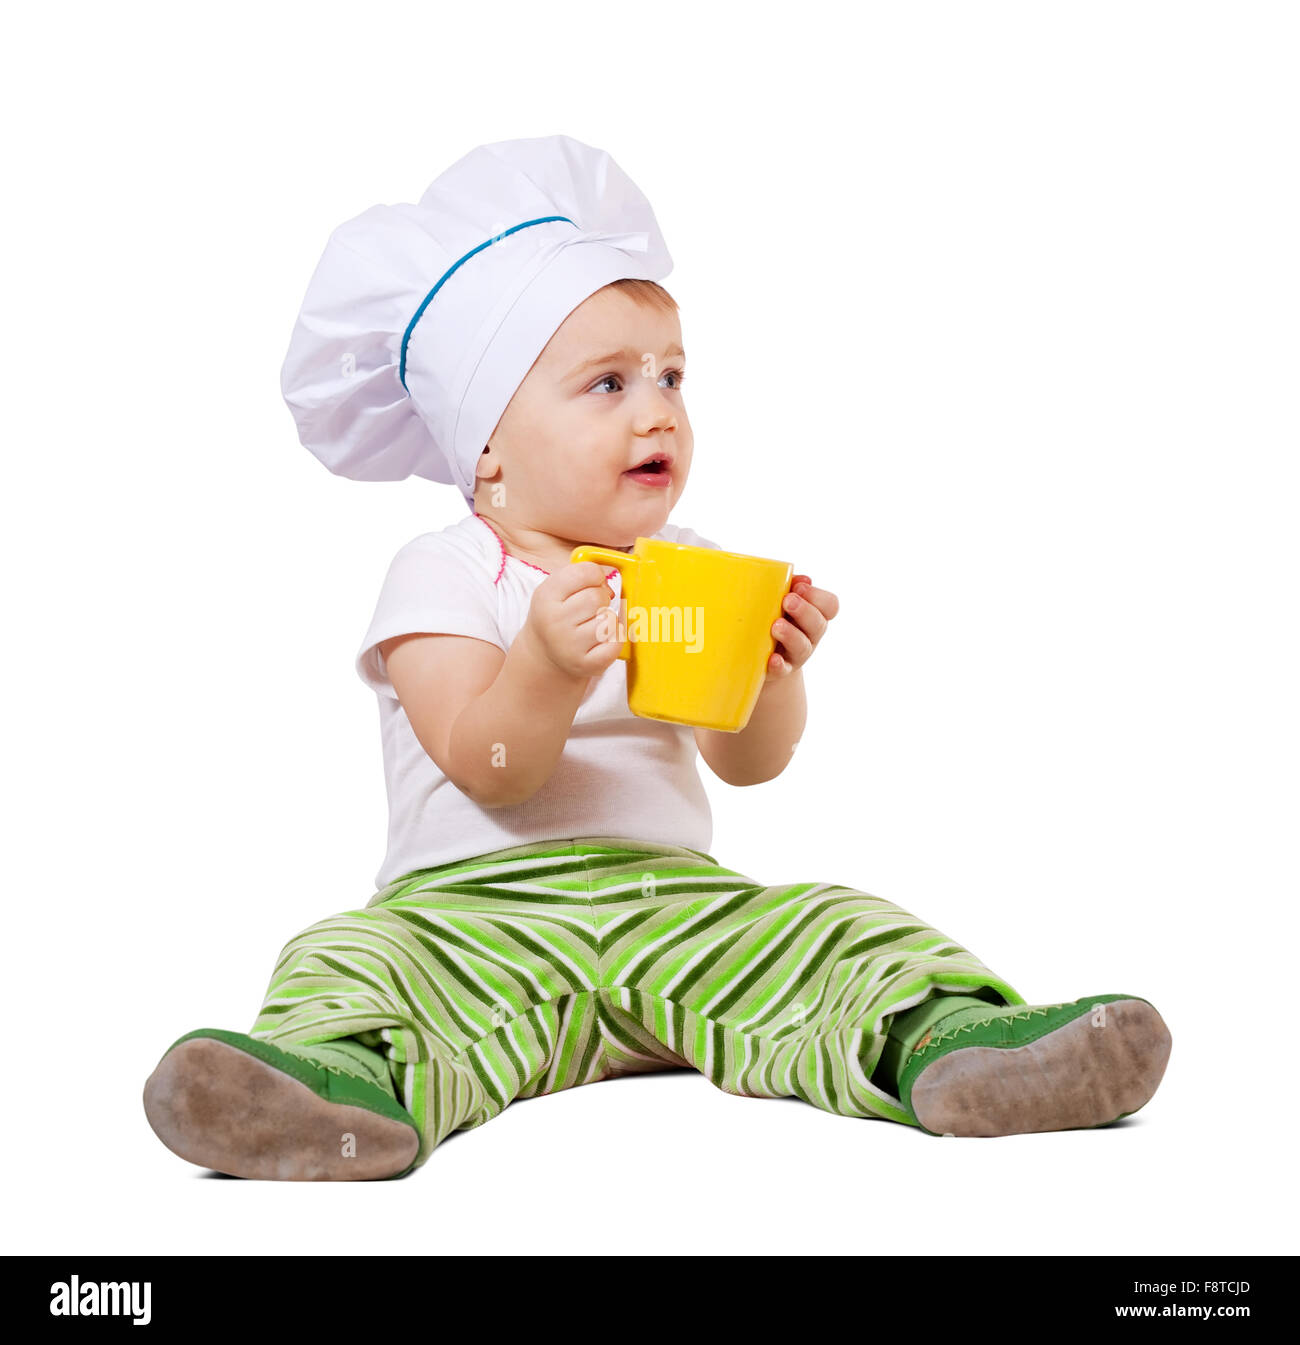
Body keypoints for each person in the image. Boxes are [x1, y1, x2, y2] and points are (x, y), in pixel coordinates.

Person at [142, 135, 1172, 1181]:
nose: (658, 409)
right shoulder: (444, 571)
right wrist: (543, 663)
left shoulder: (682, 567)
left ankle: (953, 1044)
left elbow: (746, 764)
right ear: (486, 448)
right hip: (470, 918)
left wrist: (773, 675)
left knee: (826, 921)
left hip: (672, 905)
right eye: (605, 383)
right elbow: (485, 764)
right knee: (348, 958)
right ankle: (336, 1088)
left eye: (671, 375)